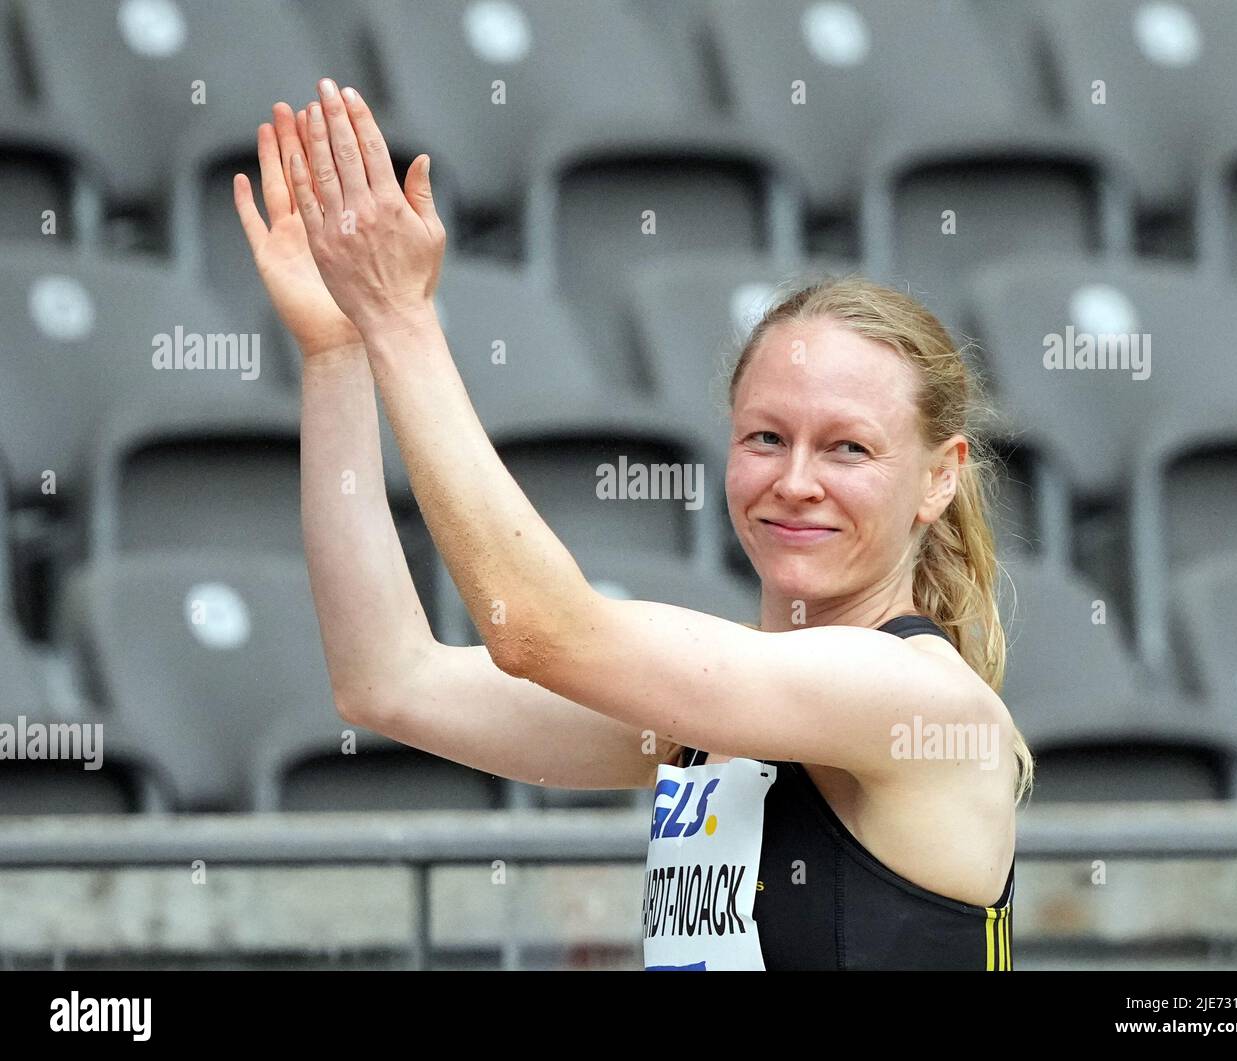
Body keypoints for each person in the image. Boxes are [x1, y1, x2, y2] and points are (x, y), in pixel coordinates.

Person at [234, 77, 1032, 971]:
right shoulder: (710, 715)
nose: (796, 480)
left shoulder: (916, 699)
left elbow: (537, 629)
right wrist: (337, 352)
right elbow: (388, 680)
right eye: (766, 438)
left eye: (848, 449)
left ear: (938, 479)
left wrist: (402, 321)